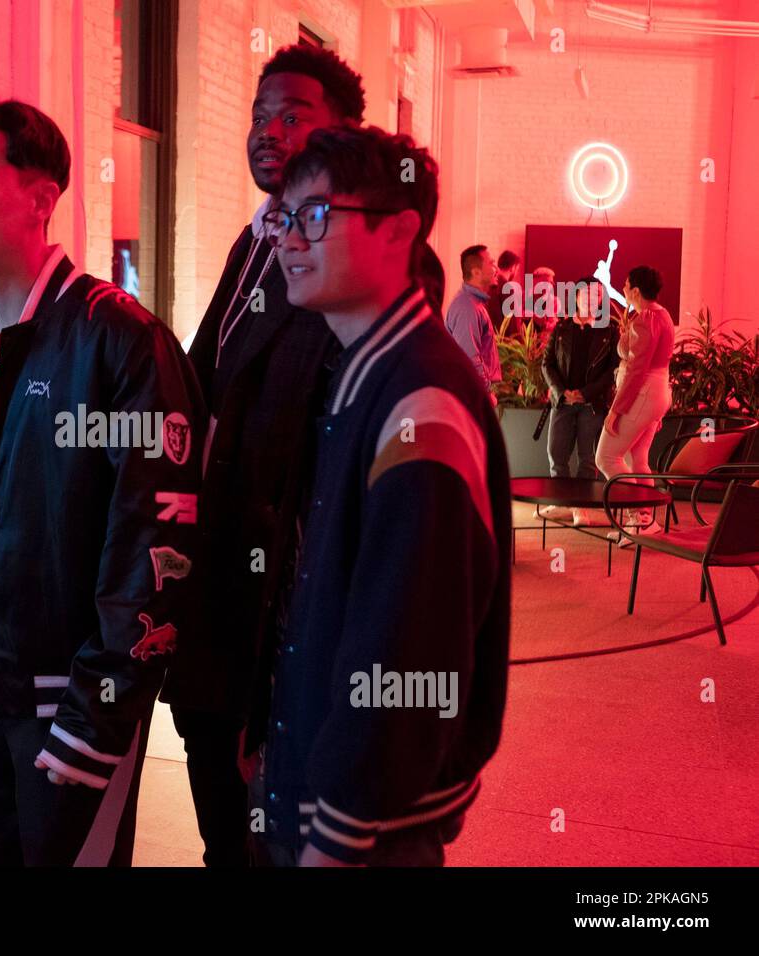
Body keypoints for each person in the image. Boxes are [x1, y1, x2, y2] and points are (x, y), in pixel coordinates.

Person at [0, 94, 205, 866]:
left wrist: (101, 712)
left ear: (42, 198)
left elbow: (156, 539)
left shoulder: (119, 340)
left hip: (73, 703)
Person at [248, 125, 511, 866]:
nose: (289, 240)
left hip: (369, 831)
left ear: (399, 232)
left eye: (315, 216)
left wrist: (341, 822)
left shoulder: (420, 396)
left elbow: (408, 638)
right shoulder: (365, 368)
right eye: (282, 218)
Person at [160, 42, 360, 868]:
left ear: (343, 136)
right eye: (257, 113)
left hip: (279, 612)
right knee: (223, 827)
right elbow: (204, 381)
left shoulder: (348, 259)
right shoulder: (256, 243)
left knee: (270, 833)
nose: (267, 130)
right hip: (214, 593)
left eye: (292, 116)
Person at [593, 265, 675, 535]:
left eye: (626, 284)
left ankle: (637, 518)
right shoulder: (660, 316)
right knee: (637, 457)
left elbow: (637, 371)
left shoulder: (647, 319)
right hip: (655, 393)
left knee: (606, 457)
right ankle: (643, 519)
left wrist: (616, 411)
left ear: (636, 290)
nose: (623, 288)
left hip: (644, 393)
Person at [541, 279, 619, 482]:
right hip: (563, 402)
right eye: (587, 293)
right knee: (556, 454)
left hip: (592, 404)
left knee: (587, 459)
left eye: (597, 295)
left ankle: (580, 507)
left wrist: (586, 393)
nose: (592, 299)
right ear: (576, 296)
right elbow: (547, 364)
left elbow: (613, 369)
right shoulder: (562, 328)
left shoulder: (609, 330)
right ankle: (561, 503)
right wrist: (561, 392)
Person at [445, 244, 502, 399]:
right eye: (491, 263)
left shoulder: (474, 303)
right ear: (476, 272)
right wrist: (485, 392)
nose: (496, 268)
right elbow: (469, 356)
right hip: (469, 395)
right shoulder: (467, 306)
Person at [488, 249, 521, 338]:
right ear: (513, 267)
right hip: (503, 344)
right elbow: (511, 324)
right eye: (517, 269)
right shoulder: (507, 288)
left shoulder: (489, 285)